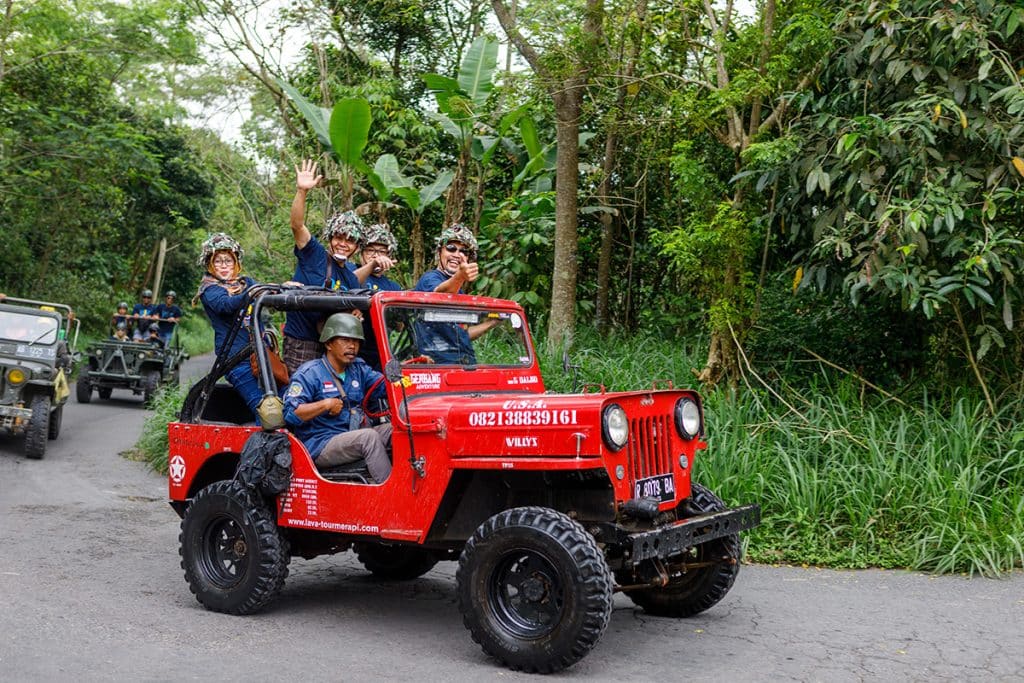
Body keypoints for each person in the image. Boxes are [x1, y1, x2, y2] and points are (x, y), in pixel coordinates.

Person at [283, 312, 392, 483]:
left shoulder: (358, 368)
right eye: (345, 340)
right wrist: (325, 404)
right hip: (321, 443)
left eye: (356, 341)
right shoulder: (310, 373)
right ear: (328, 343)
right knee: (368, 438)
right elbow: (291, 413)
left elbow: (385, 387)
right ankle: (391, 495)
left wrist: (409, 374)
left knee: (397, 430)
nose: (352, 346)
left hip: (352, 433)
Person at [281, 159, 363, 375]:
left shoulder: (351, 279)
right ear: (330, 237)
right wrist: (302, 191)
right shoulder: (315, 255)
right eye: (339, 237)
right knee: (300, 397)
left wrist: (353, 315)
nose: (343, 243)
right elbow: (297, 225)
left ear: (357, 246)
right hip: (302, 343)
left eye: (350, 240)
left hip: (333, 347)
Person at [195, 232, 263, 418]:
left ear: (236, 263)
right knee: (265, 411)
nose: (224, 266)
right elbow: (225, 305)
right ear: (210, 264)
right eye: (218, 261)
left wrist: (284, 287)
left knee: (281, 402)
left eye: (228, 261)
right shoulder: (210, 290)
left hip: (260, 358)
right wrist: (251, 293)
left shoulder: (246, 283)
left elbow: (265, 295)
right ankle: (261, 447)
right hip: (235, 362)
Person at [413, 224, 498, 363]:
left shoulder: (458, 290)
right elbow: (440, 295)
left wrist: (492, 322)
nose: (457, 255)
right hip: (436, 367)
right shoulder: (430, 278)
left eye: (464, 251)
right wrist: (460, 276)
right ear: (439, 251)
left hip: (464, 365)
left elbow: (462, 335)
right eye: (451, 248)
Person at [356, 222, 402, 370]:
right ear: (361, 252)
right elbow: (348, 282)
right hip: (352, 350)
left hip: (380, 353)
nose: (376, 255)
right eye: (370, 250)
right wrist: (371, 265)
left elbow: (400, 326)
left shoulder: (393, 286)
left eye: (382, 251)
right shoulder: (351, 271)